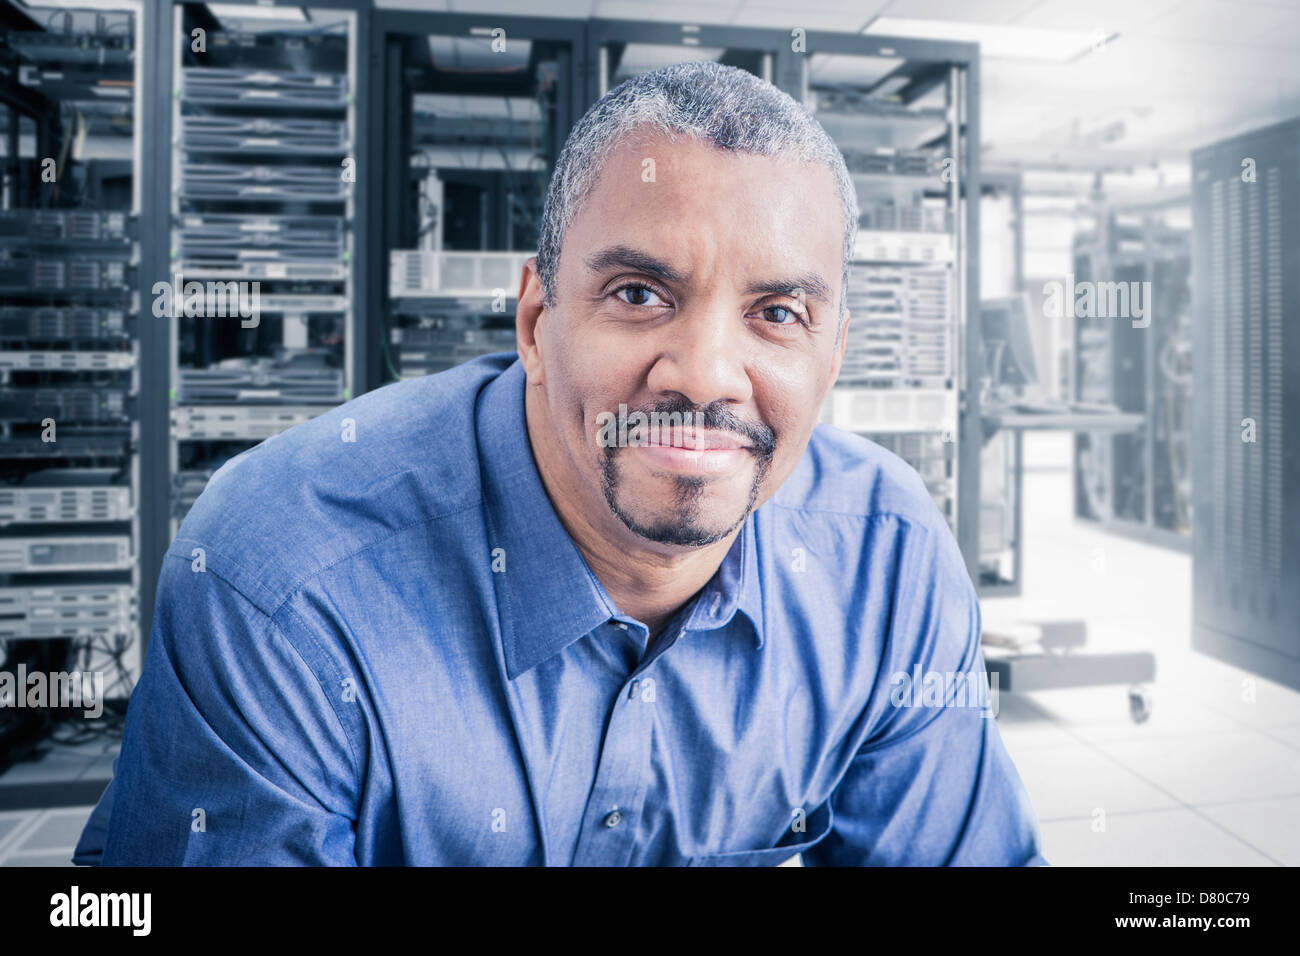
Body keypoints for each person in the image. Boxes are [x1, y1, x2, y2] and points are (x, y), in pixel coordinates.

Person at [75, 60, 1045, 866]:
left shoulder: (887, 561)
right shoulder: (280, 578)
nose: (704, 373)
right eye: (637, 293)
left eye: (776, 314)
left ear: (831, 360)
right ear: (537, 320)